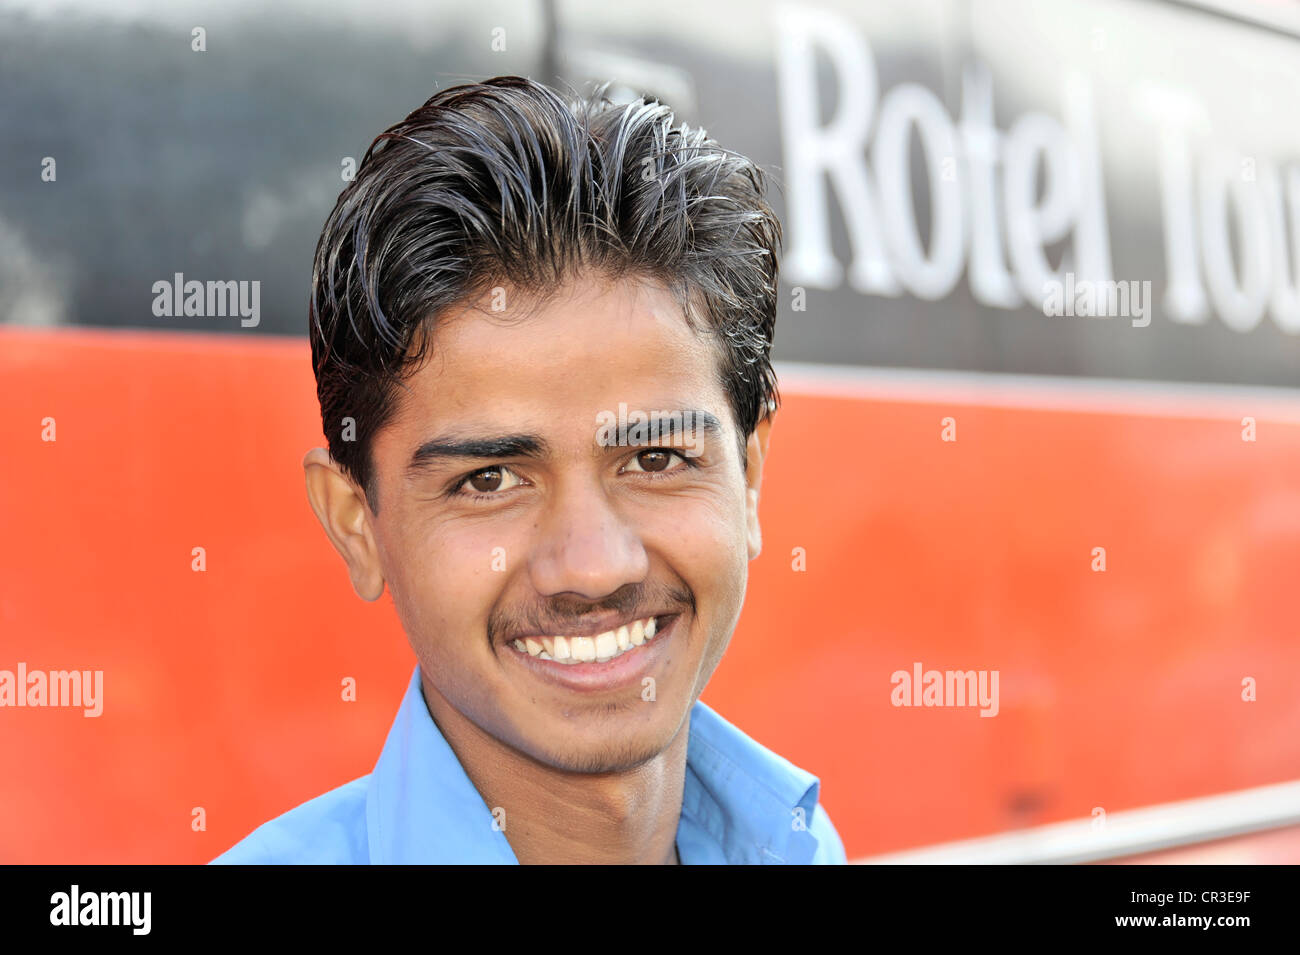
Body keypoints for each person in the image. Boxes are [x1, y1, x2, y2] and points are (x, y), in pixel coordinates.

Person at [212, 75, 846, 864]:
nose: (593, 564)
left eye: (655, 458)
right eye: (489, 480)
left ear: (747, 476)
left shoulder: (796, 845)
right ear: (356, 523)